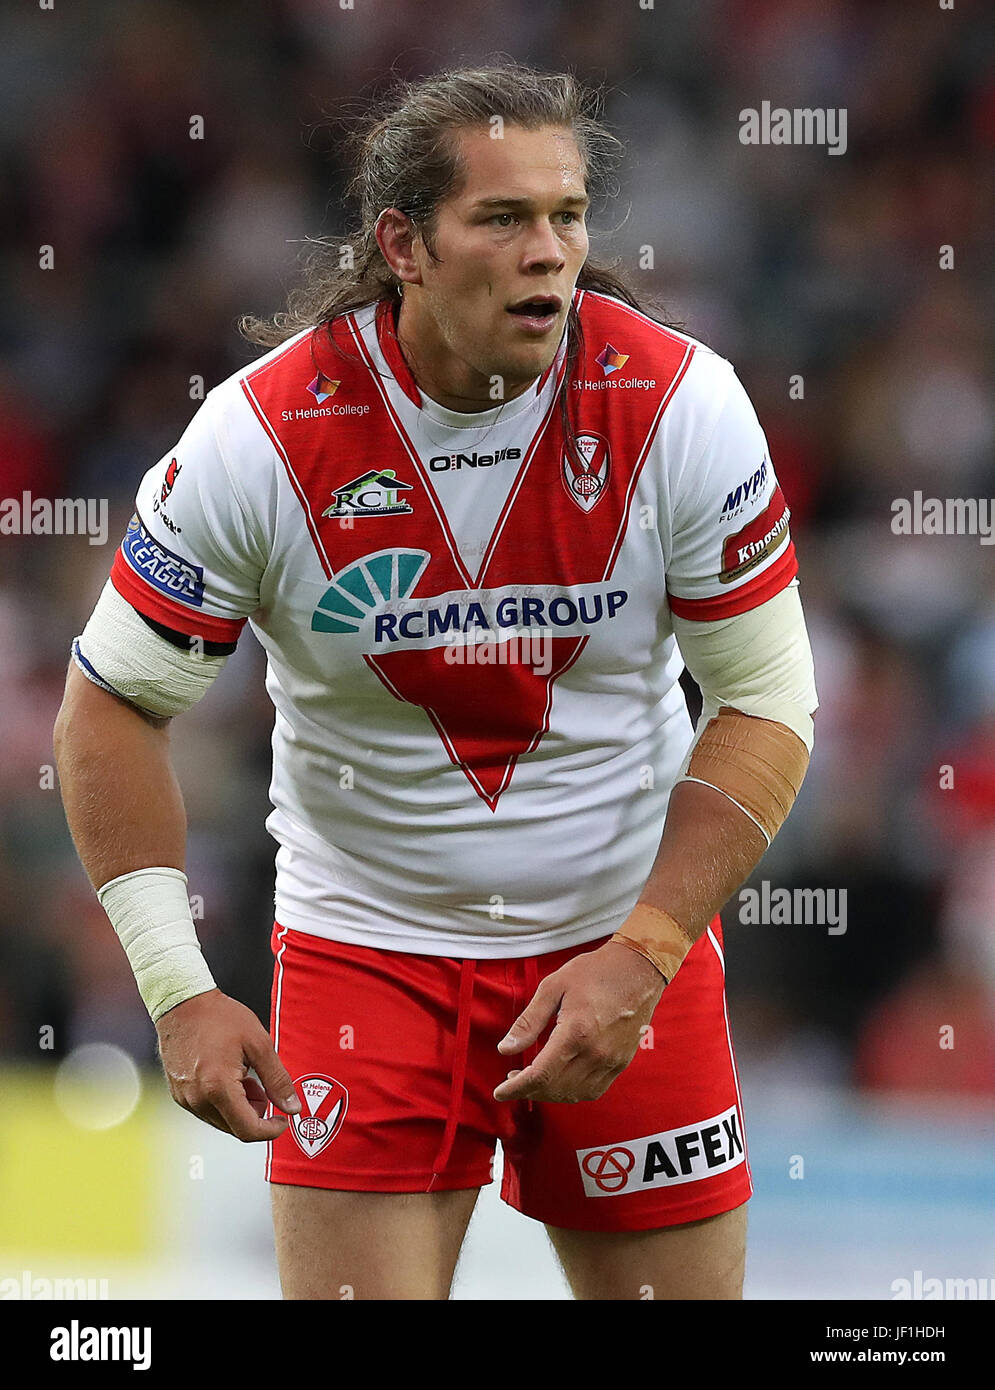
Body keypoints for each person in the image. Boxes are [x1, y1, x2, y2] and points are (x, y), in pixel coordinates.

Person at [53, 62, 817, 1300]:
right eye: (503, 219)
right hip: (368, 956)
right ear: (402, 242)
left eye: (566, 216)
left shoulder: (680, 403)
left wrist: (646, 949)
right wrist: (175, 986)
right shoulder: (262, 437)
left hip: (621, 943)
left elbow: (769, 703)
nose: (549, 252)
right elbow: (112, 704)